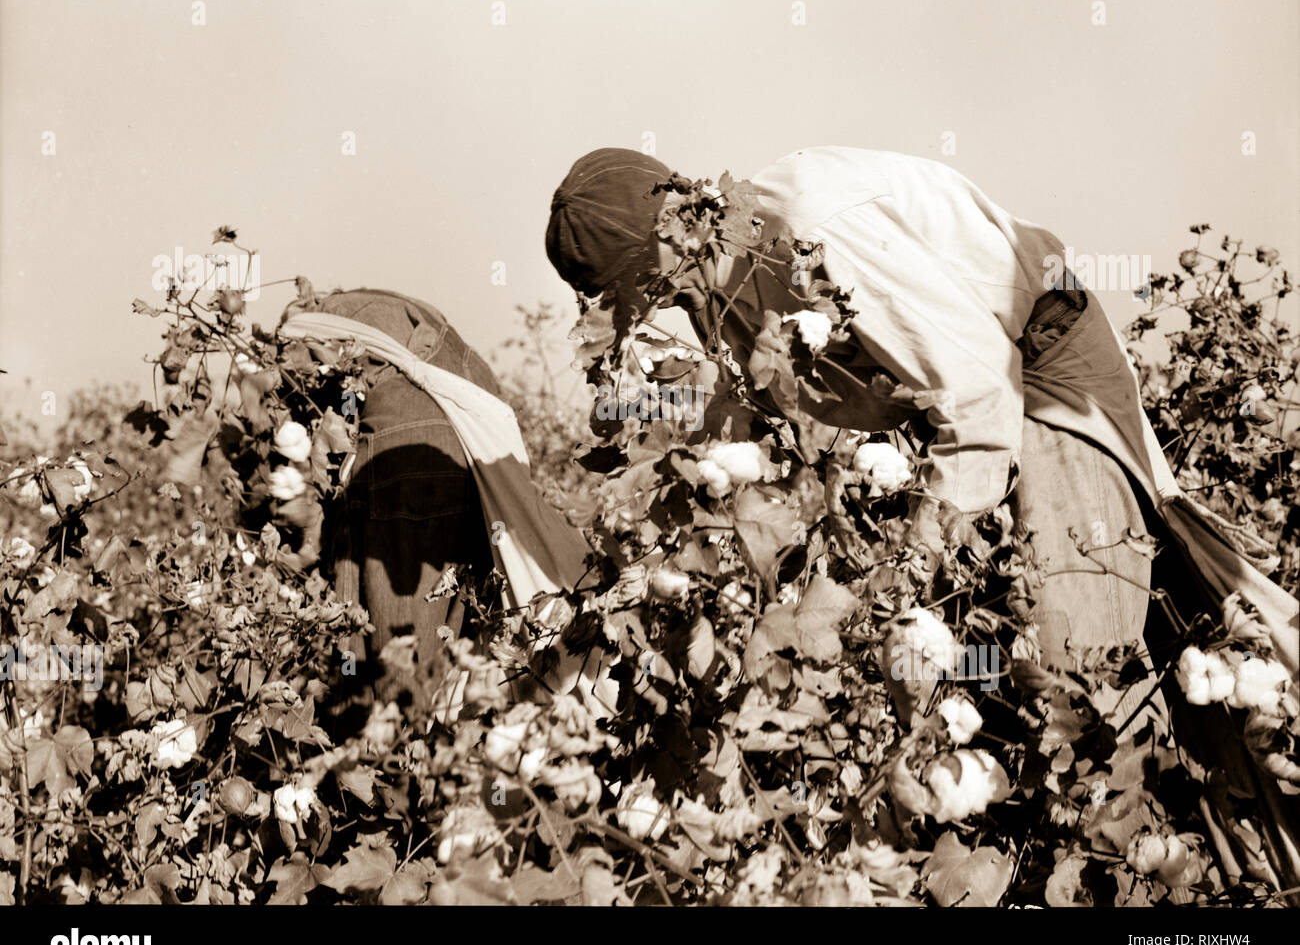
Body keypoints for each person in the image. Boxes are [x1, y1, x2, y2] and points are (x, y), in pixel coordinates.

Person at [544, 147, 1300, 890]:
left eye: (645, 291)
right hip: (952, 424)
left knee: (1068, 676)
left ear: (674, 239)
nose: (652, 311)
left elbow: (975, 392)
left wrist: (916, 559)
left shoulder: (815, 234)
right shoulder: (726, 292)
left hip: (1038, 372)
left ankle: (1166, 875)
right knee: (965, 669)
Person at [312, 288, 501, 686]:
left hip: (400, 460)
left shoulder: (323, 322)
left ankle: (399, 738)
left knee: (398, 670)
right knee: (457, 645)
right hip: (468, 445)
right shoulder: (425, 322)